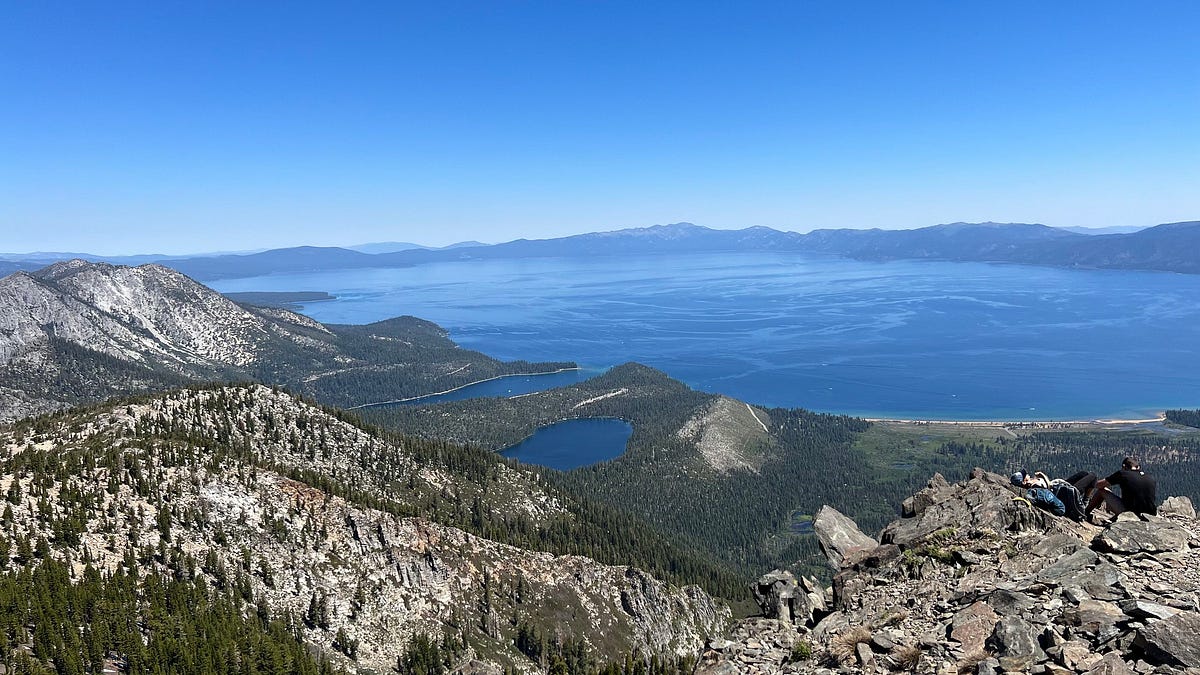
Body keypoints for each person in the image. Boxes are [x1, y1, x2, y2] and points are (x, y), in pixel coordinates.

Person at [1086, 457, 1158, 517]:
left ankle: (1085, 512)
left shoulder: (1123, 473)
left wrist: (1088, 483)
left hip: (1130, 514)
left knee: (1101, 491)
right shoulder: (1150, 477)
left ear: (1124, 466)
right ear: (1138, 467)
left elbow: (1099, 485)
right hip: (1150, 514)